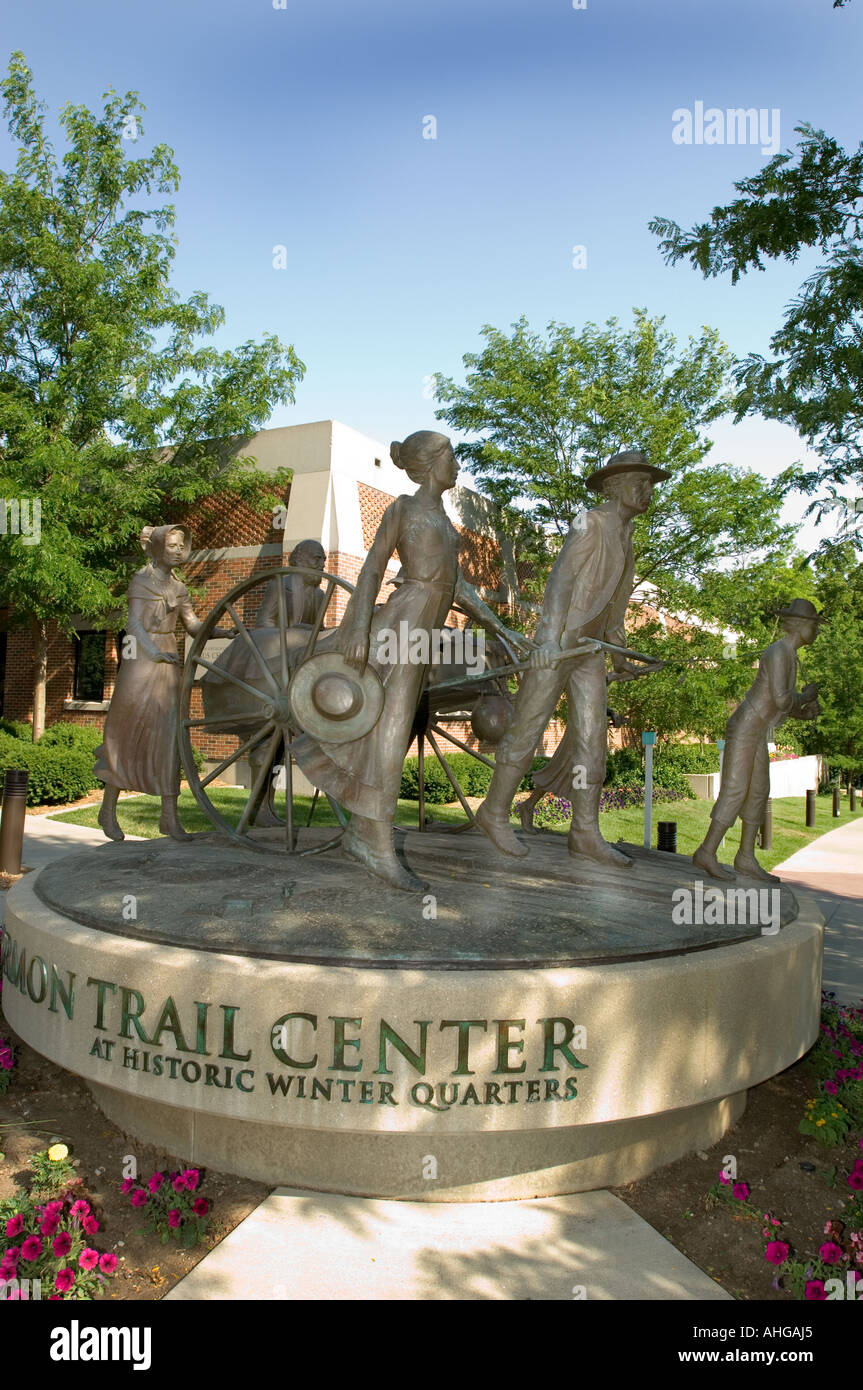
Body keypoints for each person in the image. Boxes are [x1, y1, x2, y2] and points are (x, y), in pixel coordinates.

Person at [291, 430, 530, 891]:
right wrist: (358, 628)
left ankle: (363, 834)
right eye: (451, 457)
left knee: (392, 729)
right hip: (397, 628)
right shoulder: (403, 508)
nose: (458, 466)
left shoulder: (446, 523)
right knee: (391, 730)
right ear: (430, 464)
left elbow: (458, 589)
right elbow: (372, 568)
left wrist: (502, 628)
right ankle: (374, 844)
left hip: (422, 633)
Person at [475, 450, 668, 866]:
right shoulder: (591, 523)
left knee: (592, 739)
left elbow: (617, 601)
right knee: (526, 729)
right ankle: (493, 812)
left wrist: (618, 652)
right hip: (560, 644)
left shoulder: (626, 534)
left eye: (650, 484)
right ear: (614, 486)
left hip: (591, 651)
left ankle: (584, 832)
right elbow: (559, 581)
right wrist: (546, 641)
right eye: (641, 482)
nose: (648, 491)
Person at [95, 524, 235, 841]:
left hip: (169, 660)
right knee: (127, 733)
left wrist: (222, 631)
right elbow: (133, 623)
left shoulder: (179, 587)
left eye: (180, 545)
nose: (176, 550)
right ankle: (108, 809)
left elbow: (194, 626)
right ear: (158, 547)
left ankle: (169, 818)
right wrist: (156, 652)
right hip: (142, 661)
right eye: (171, 544)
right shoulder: (141, 580)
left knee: (169, 736)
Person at [692, 598, 823, 883]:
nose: (817, 631)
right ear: (801, 625)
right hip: (745, 728)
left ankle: (746, 857)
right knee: (736, 789)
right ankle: (706, 852)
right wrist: (806, 698)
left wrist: (805, 712)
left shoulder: (790, 655)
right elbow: (782, 699)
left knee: (760, 791)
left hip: (758, 730)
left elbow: (780, 706)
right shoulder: (778, 653)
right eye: (814, 625)